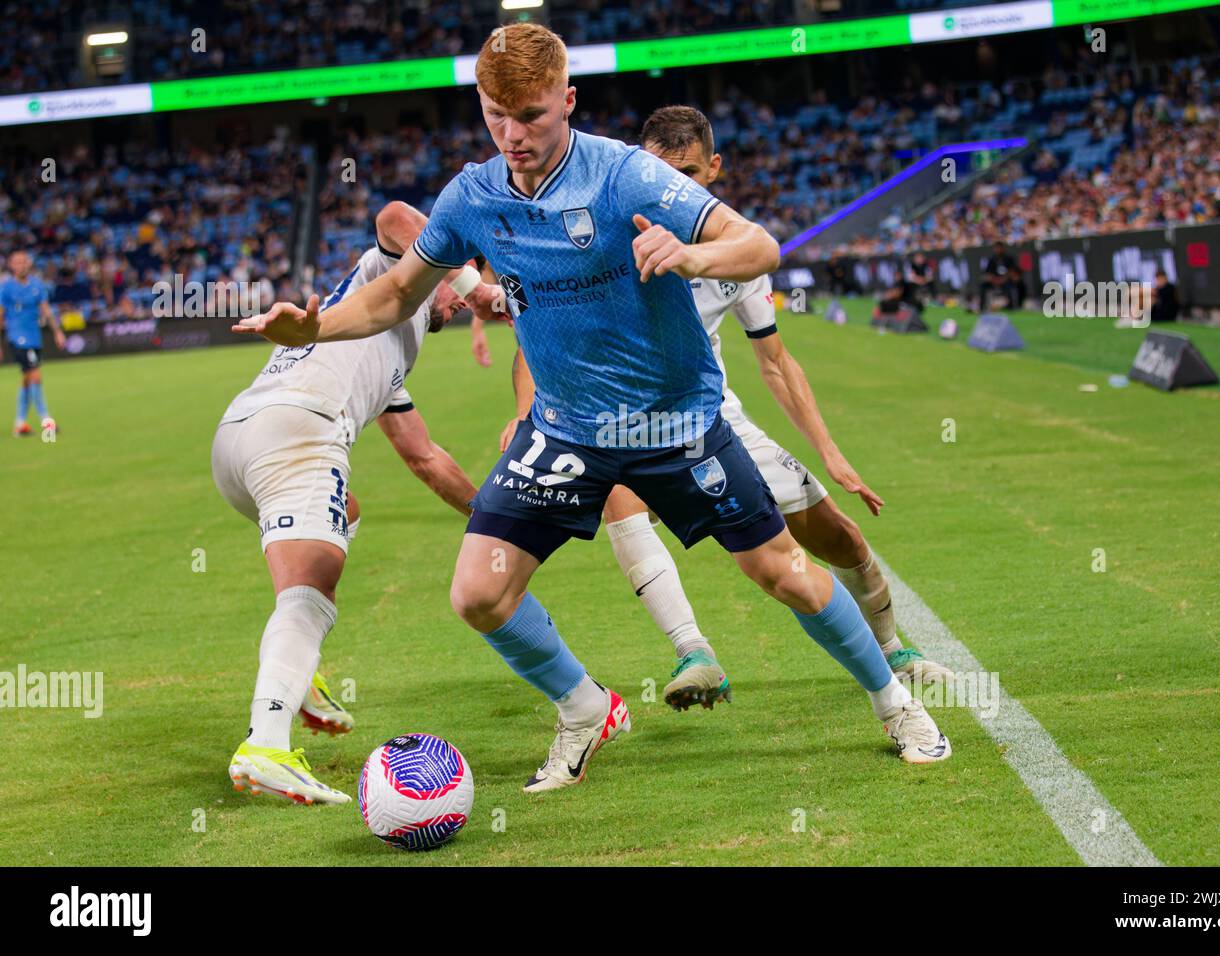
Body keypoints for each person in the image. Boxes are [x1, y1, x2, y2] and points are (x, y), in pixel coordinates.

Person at [235, 24, 951, 793]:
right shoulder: (472, 197)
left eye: (533, 115)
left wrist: (691, 254)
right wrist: (315, 326)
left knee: (785, 575)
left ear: (568, 100)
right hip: (566, 430)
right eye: (495, 115)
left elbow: (758, 243)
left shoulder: (626, 176)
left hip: (674, 421)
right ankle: (585, 710)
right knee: (478, 592)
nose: (513, 135)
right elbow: (392, 294)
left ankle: (895, 702)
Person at [502, 106, 954, 712]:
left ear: (713, 168)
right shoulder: (601, 234)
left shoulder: (736, 248)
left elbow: (775, 361)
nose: (674, 188)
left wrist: (831, 453)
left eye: (688, 172)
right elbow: (541, 340)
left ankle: (893, 647)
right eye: (661, 172)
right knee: (618, 496)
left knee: (832, 538)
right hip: (617, 419)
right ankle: (693, 653)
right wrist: (527, 412)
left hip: (711, 415)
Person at [215, 201, 496, 805]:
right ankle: (265, 744)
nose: (459, 305)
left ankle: (300, 676)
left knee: (345, 519)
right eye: (458, 283)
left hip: (240, 439)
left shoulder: (393, 339)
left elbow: (425, 457)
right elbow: (396, 215)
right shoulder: (399, 275)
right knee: (310, 591)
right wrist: (472, 283)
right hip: (299, 432)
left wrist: (493, 519)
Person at [0, 251, 64, 437]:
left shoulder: (37, 285)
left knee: (27, 380)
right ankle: (47, 422)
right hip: (17, 338)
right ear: (11, 266)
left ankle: (19, 424)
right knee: (35, 375)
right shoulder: (6, 288)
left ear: (29, 264)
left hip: (34, 337)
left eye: (24, 262)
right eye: (17, 263)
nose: (21, 265)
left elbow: (46, 310)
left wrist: (57, 331)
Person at [978, 242, 1017, 312]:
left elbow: (1012, 272)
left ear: (1003, 249)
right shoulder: (991, 259)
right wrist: (994, 280)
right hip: (994, 281)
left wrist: (1003, 279)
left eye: (999, 248)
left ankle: (1010, 307)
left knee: (1010, 286)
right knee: (983, 286)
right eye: (996, 248)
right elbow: (988, 273)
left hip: (1006, 280)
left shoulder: (1009, 259)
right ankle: (981, 307)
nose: (998, 250)